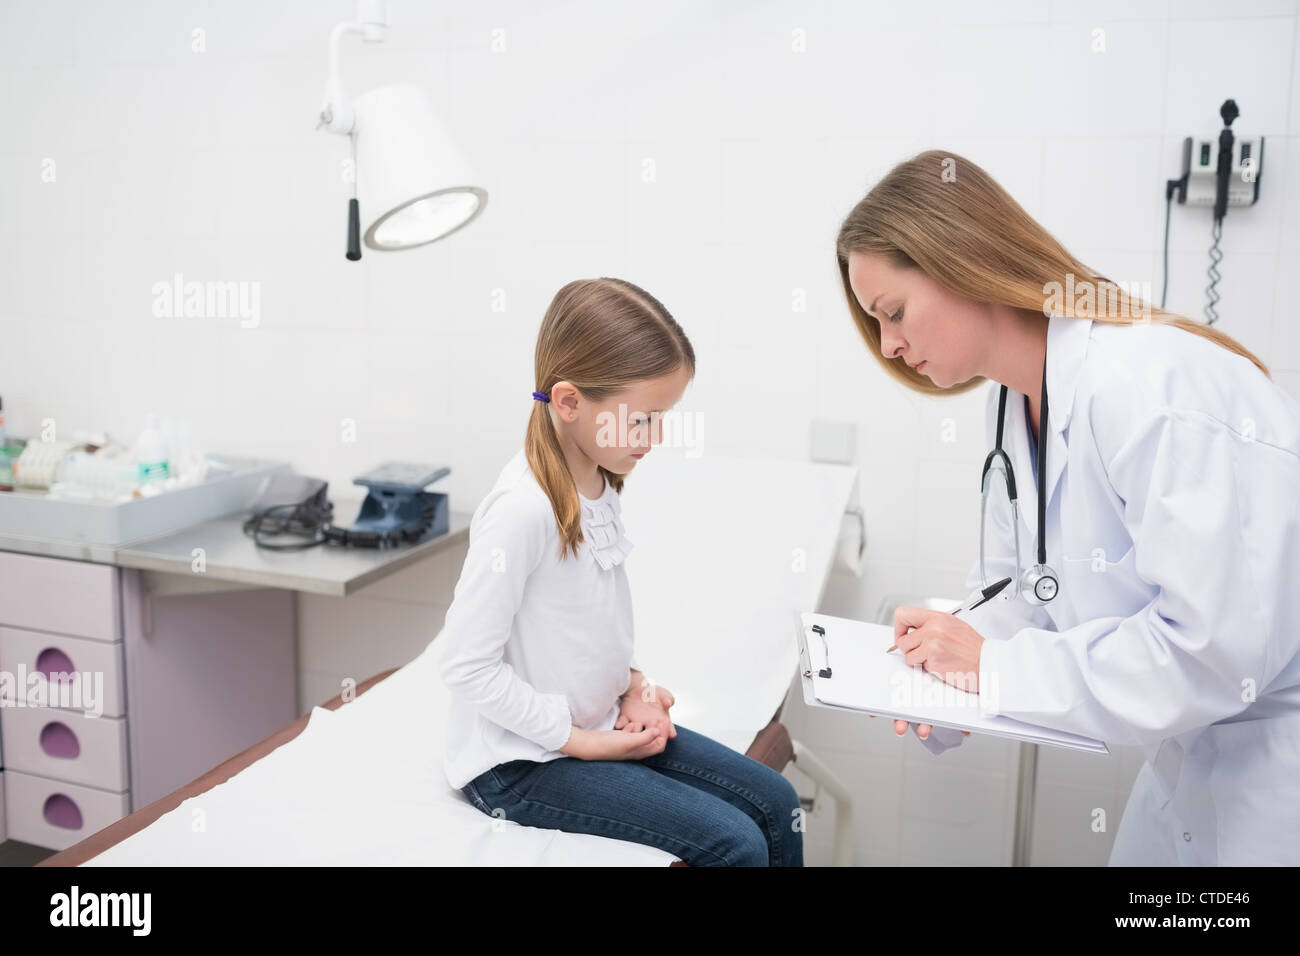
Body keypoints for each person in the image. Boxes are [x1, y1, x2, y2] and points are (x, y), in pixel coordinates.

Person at [835, 149, 1300, 866]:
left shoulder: (1146, 386)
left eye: (892, 314)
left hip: (1272, 772)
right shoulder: (1014, 406)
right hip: (1189, 767)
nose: (891, 346)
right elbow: (1029, 596)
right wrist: (941, 675)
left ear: (961, 259)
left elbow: (1210, 651)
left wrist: (993, 669)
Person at [438, 277, 803, 866]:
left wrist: (633, 687)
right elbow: (464, 665)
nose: (655, 440)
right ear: (569, 402)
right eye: (642, 421)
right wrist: (582, 741)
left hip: (597, 726)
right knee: (736, 843)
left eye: (663, 419)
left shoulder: (600, 482)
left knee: (776, 802)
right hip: (520, 764)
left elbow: (578, 627)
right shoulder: (524, 510)